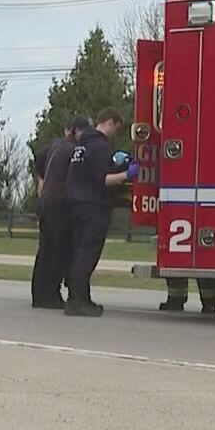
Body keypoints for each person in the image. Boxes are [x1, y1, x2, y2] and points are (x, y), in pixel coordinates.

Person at [64, 107, 135, 317]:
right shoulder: (100, 146)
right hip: (94, 206)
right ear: (110, 122)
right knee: (88, 254)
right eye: (117, 128)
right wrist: (127, 174)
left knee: (79, 252)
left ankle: (79, 298)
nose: (116, 133)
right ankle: (78, 301)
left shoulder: (81, 147)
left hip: (77, 204)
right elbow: (103, 179)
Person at [29, 117, 82, 309]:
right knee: (59, 249)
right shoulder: (71, 150)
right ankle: (50, 294)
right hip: (60, 203)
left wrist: (42, 180)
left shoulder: (54, 146)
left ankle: (39, 294)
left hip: (46, 201)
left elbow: (39, 159)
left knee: (46, 249)